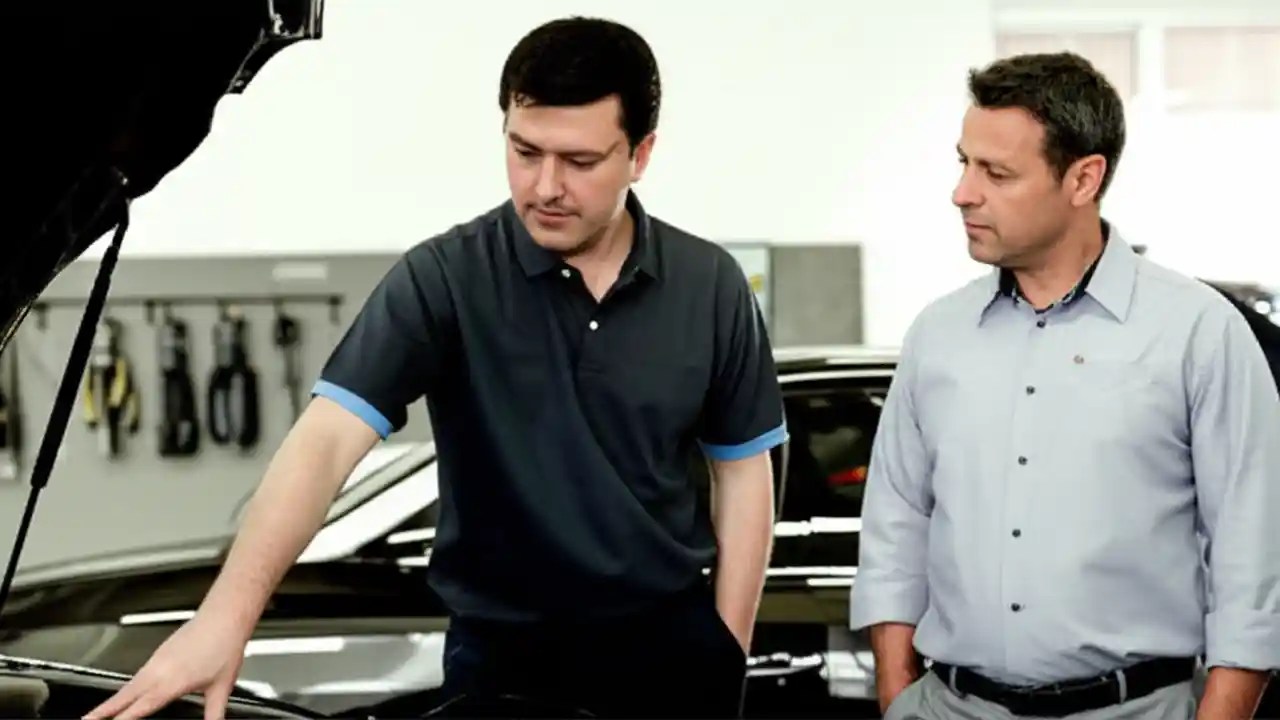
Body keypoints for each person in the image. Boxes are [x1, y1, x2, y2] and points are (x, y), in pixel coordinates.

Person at [85, 16, 784, 720]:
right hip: (504, 669)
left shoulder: (711, 286)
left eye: (579, 162)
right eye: (524, 151)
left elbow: (743, 472)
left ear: (640, 155)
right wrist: (226, 616)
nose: (545, 186)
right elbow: (324, 444)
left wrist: (729, 650)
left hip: (669, 660)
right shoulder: (446, 279)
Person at [850, 51, 1280, 720]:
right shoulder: (938, 335)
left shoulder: (1199, 332)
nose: (963, 192)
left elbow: (1252, 550)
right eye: (963, 163)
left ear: (1083, 179)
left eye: (995, 173)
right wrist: (898, 692)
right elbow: (896, 526)